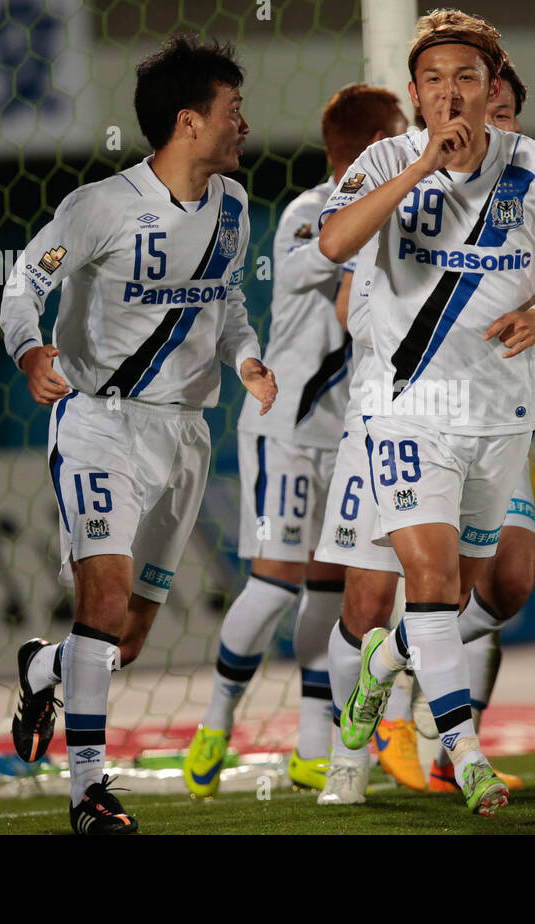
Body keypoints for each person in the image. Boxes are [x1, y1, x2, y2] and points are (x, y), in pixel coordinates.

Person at [317, 8, 535, 815]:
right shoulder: (384, 159)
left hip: (500, 418)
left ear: (493, 91)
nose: (450, 93)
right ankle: (465, 751)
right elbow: (333, 245)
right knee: (431, 582)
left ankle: (372, 688)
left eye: (467, 78)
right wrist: (418, 170)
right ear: (415, 93)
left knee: (468, 592)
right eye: (435, 80)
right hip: (400, 411)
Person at [0, 37, 275, 833]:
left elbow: (227, 307)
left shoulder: (232, 207)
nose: (244, 124)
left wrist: (248, 360)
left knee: (127, 637)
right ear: (189, 121)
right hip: (99, 425)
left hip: (185, 436)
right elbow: (28, 279)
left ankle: (44, 668)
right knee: (104, 596)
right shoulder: (100, 207)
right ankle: (88, 791)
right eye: (232, 110)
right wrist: (30, 348)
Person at [182, 84, 407, 797]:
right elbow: (350, 304)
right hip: (285, 431)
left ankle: (313, 746)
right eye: (401, 132)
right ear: (376, 145)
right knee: (276, 583)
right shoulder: (312, 217)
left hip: (343, 439)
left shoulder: (397, 217)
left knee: (330, 589)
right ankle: (216, 719)